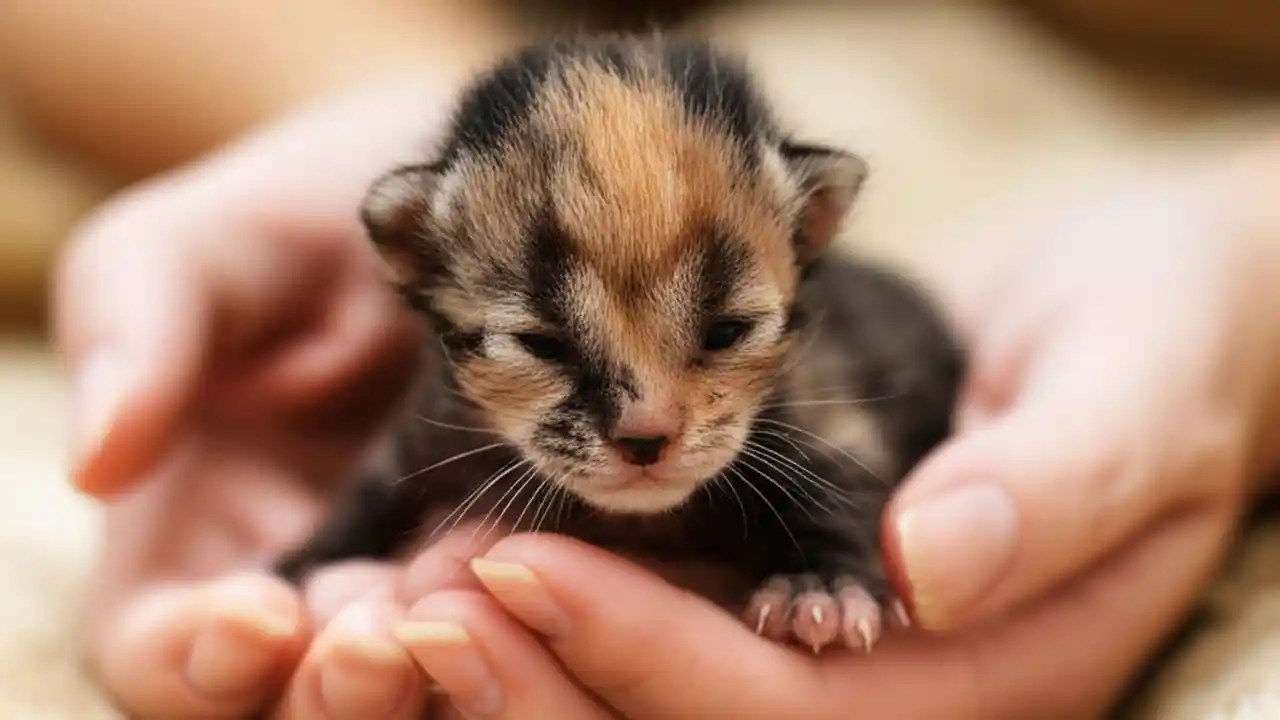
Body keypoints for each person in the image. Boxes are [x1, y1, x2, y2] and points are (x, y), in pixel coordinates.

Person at [11, 1, 1280, 717]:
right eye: (539, 347)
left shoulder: (832, 387)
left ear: (812, 231)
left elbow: (851, 469)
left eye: (722, 337)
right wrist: (303, 569)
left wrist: (1250, 276)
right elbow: (383, 489)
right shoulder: (439, 419)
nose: (646, 423)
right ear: (413, 266)